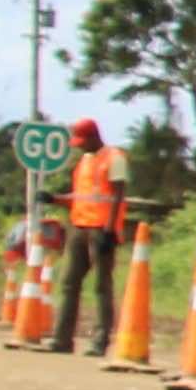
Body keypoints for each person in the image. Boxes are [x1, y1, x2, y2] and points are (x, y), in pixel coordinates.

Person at [47, 116, 129, 353]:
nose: (80, 146)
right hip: (78, 227)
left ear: (95, 137)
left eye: (83, 141)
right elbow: (81, 198)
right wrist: (55, 199)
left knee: (102, 286)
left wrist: (110, 231)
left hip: (101, 229)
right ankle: (62, 339)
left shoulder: (115, 159)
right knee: (69, 283)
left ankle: (100, 341)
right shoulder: (84, 161)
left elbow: (118, 195)